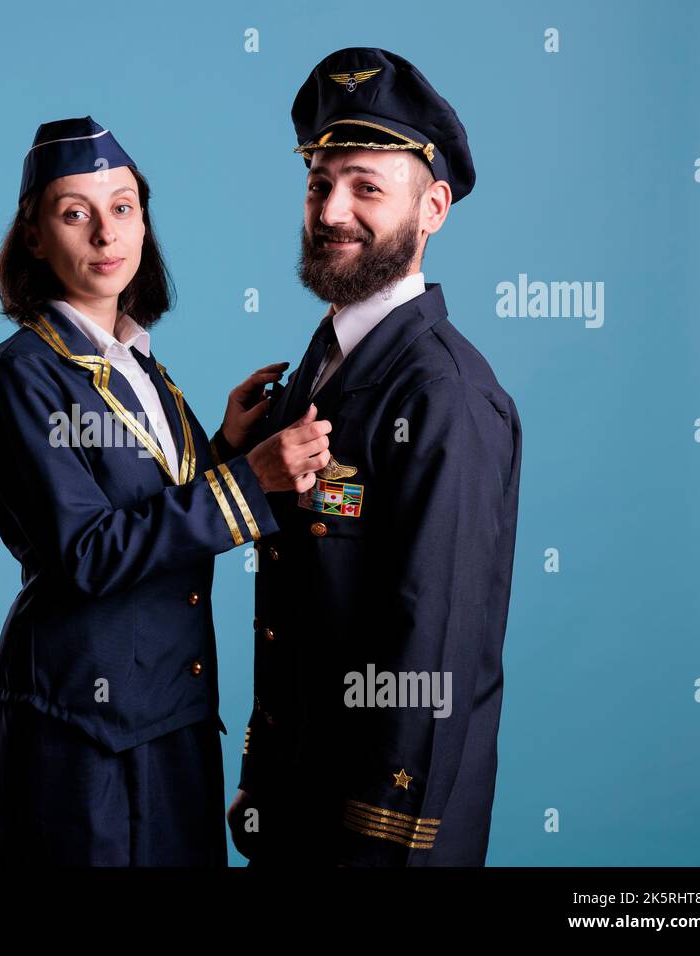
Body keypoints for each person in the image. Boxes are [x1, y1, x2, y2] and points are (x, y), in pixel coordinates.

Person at [0, 116, 333, 865]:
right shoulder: (20, 377)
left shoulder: (138, 362)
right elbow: (90, 553)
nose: (106, 234)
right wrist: (248, 479)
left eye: (123, 207)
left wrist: (226, 445)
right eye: (75, 213)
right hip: (81, 725)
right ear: (34, 236)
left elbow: (158, 505)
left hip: (175, 712)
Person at [219, 49, 523, 866]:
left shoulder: (446, 395)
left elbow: (437, 636)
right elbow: (295, 608)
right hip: (296, 805)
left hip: (381, 832)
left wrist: (381, 833)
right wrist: (262, 775)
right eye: (320, 184)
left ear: (434, 209)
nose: (332, 211)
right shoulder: (313, 370)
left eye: (366, 188)